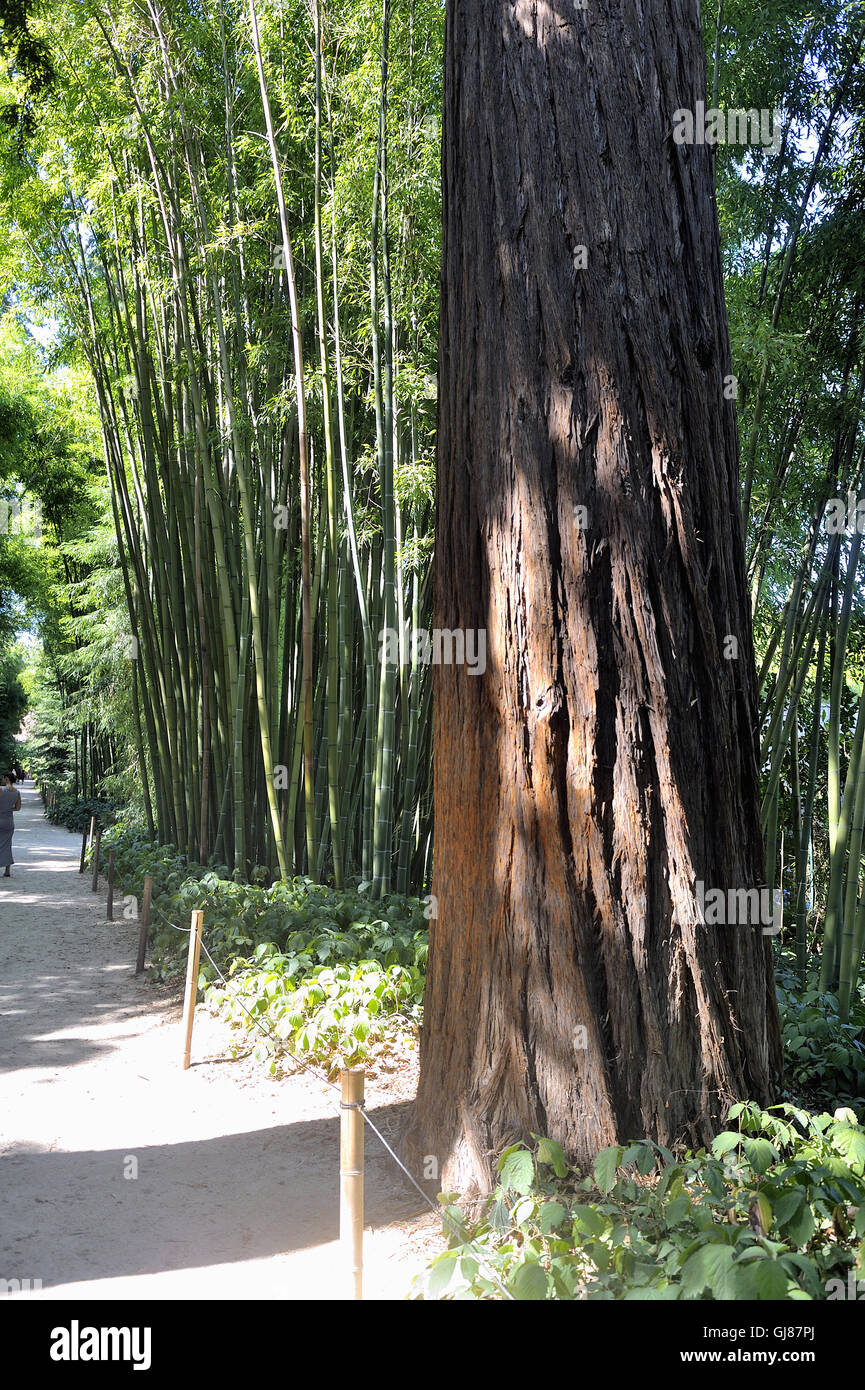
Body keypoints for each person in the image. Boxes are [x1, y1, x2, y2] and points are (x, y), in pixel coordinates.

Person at [0, 773, 22, 878]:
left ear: (6, 779)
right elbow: (18, 808)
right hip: (8, 821)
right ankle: (7, 870)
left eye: (3, 778)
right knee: (7, 844)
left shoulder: (1, 789)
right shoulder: (17, 792)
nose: (2, 780)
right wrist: (8, 809)